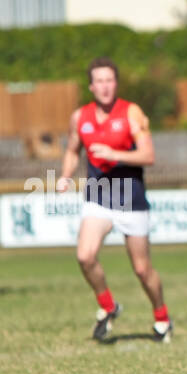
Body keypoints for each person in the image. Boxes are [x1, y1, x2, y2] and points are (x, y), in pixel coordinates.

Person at [57, 57, 171, 342]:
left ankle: (162, 318)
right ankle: (108, 306)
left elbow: (149, 155)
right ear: (91, 86)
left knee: (142, 270)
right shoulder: (79, 117)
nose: (105, 86)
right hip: (99, 197)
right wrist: (66, 175)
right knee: (85, 255)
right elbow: (72, 150)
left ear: (116, 84)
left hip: (131, 199)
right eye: (100, 81)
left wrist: (115, 154)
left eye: (110, 80)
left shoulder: (131, 113)